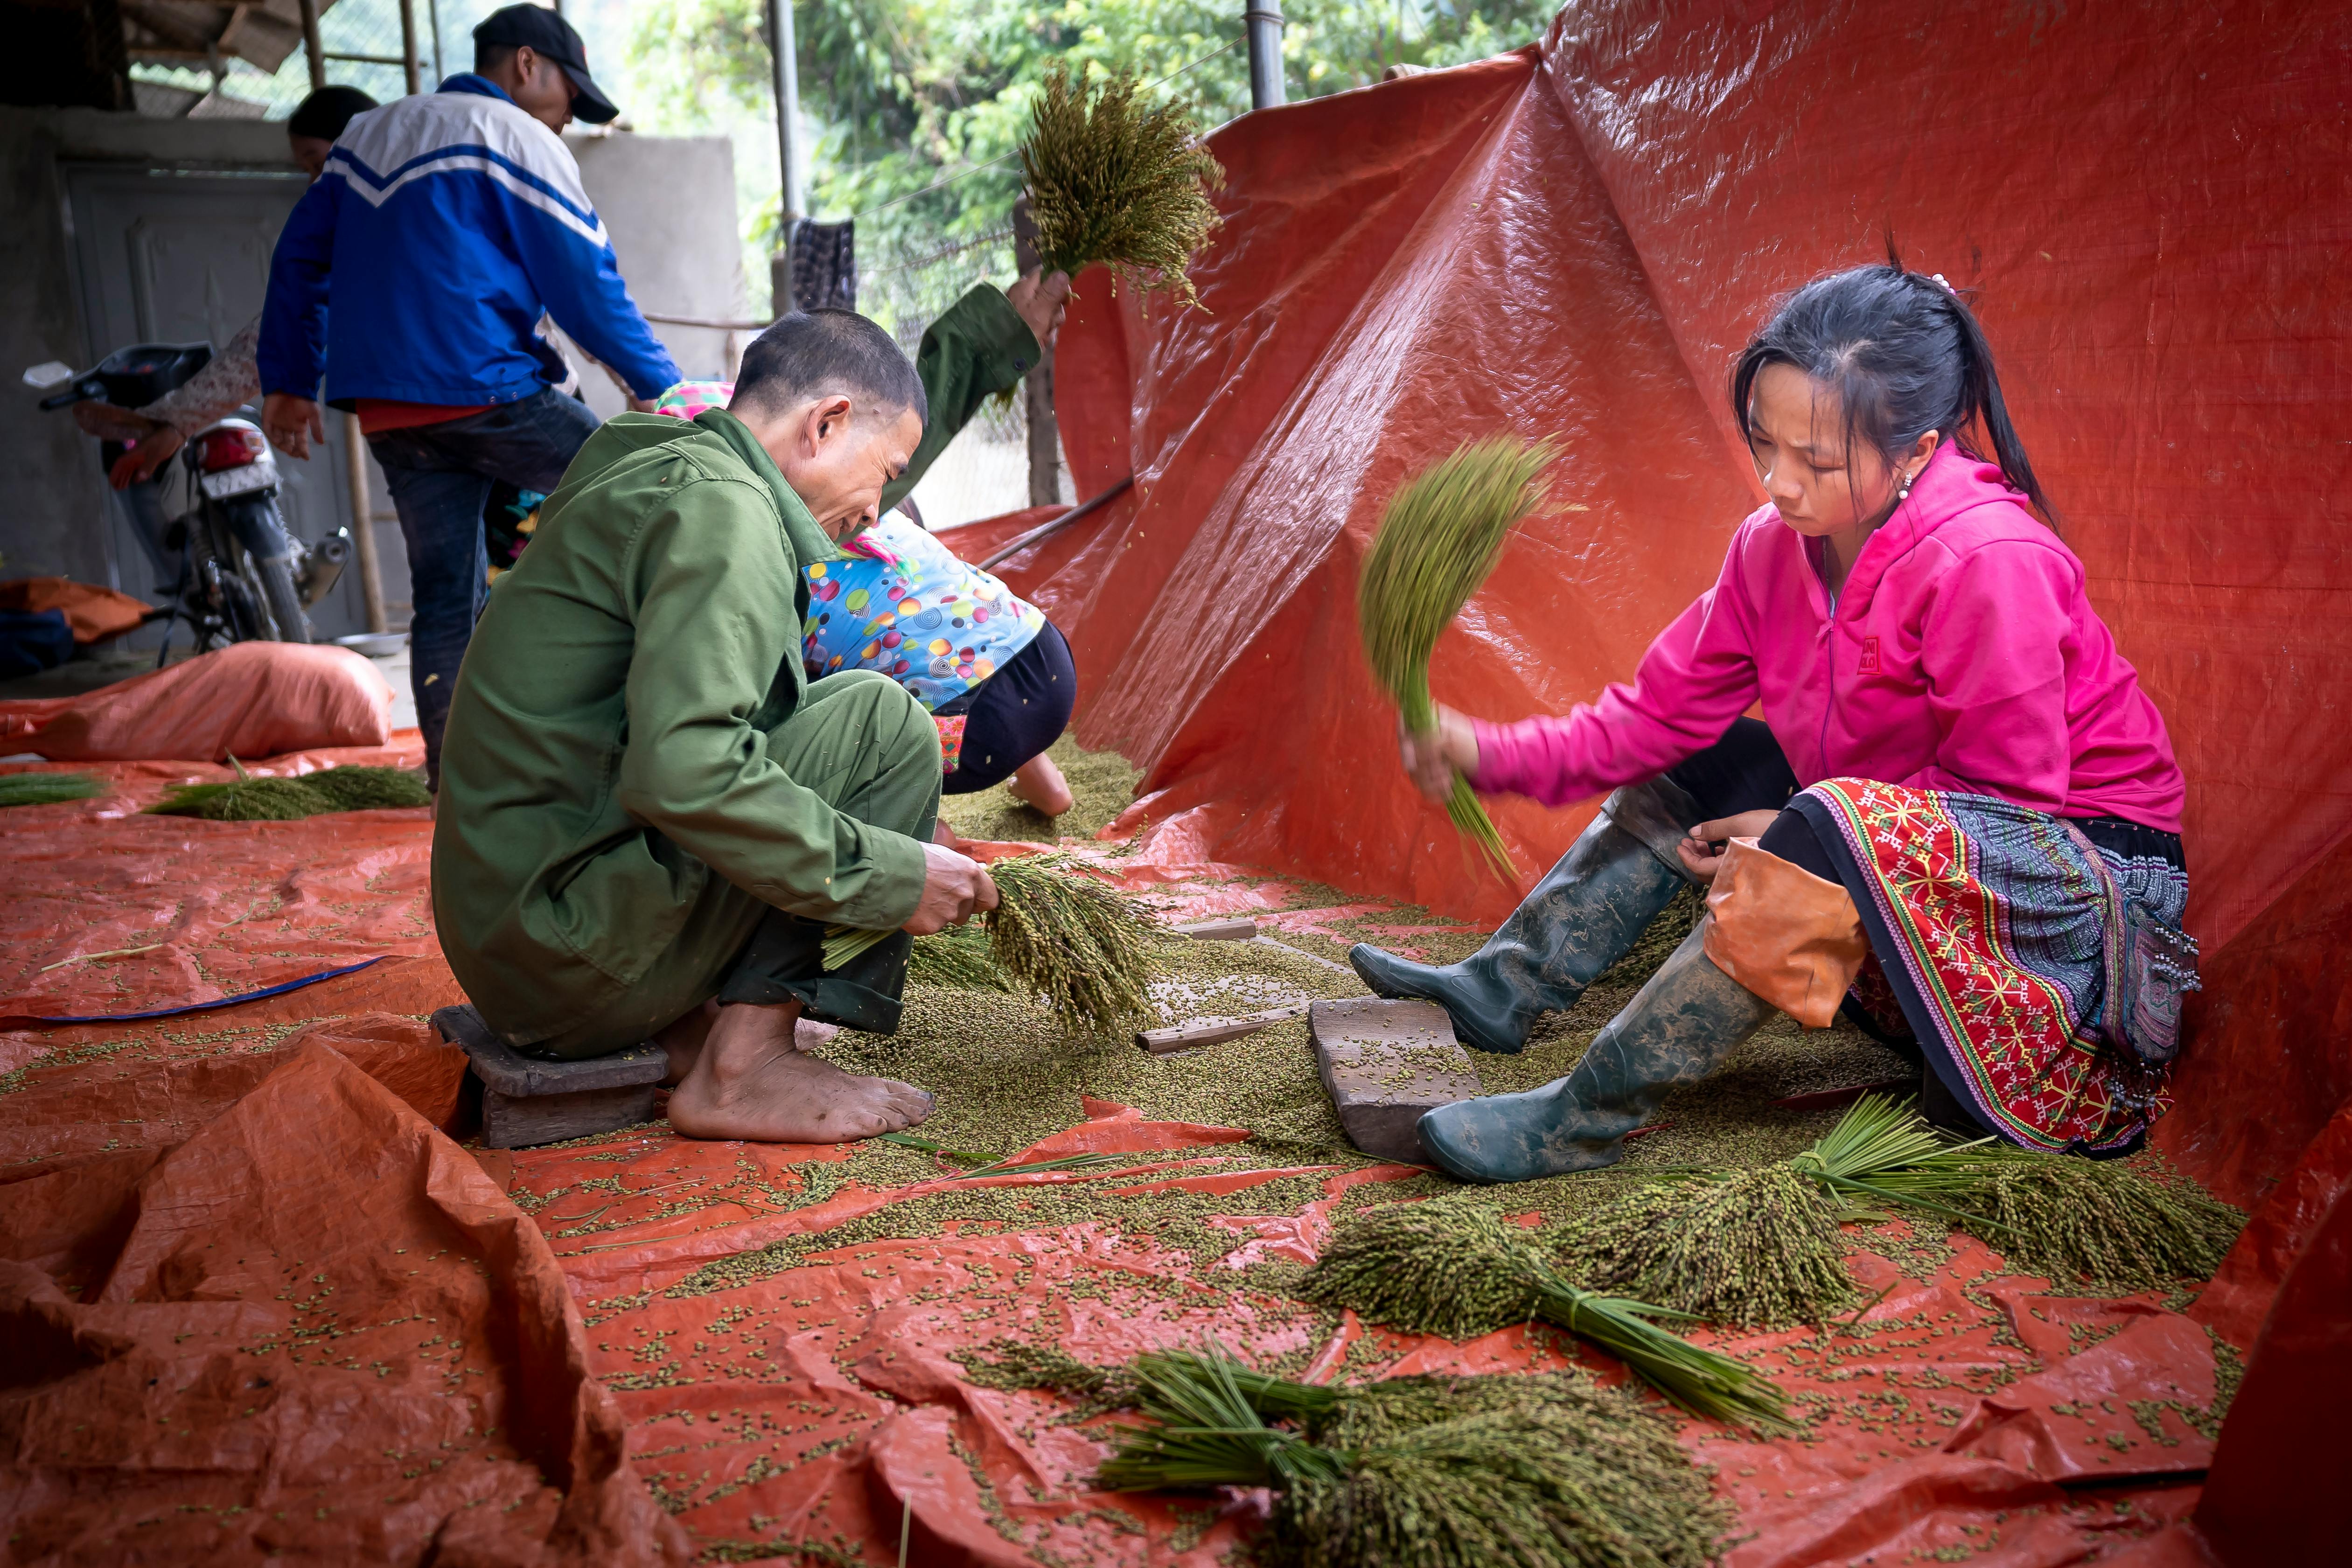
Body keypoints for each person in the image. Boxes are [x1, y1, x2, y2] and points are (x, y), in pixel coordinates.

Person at [1354, 261, 2195, 1184]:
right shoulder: (1770, 549)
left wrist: (1797, 833)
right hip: (1888, 826)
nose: (1779, 484)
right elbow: (1657, 717)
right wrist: (1485, 751)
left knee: (1822, 818)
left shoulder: (1985, 560)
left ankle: (1583, 1117)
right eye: (1764, 443)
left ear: (1915, 451)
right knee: (1721, 754)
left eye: (1818, 461)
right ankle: (1506, 985)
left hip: (2076, 879)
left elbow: (2010, 800)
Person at [432, 310, 1011, 1146]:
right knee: (883, 726)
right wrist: (890, 872)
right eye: (884, 474)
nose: (876, 510)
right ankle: (745, 1067)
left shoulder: (662, 463)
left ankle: (700, 1019)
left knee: (832, 714)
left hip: (517, 932)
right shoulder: (727, 512)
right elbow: (687, 771)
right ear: (826, 424)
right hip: (565, 956)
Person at [256, 3, 680, 787]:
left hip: (390, 412)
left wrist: (288, 383)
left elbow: (298, 262)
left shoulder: (369, 136)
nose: (566, 118)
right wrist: (666, 390)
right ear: (527, 65)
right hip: (489, 390)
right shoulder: (514, 135)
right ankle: (671, 735)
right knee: (654, 496)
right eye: (566, 95)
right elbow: (584, 286)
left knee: (444, 596)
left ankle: (452, 785)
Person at [647, 273, 1082, 828]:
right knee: (937, 643)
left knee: (843, 742)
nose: (874, 511)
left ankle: (926, 835)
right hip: (1039, 653)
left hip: (973, 723)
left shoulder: (763, 531)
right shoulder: (850, 510)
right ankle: (1046, 785)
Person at [90, 87, 380, 498]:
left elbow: (285, 327)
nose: (316, 183)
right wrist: (177, 423)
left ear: (362, 141)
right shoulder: (343, 227)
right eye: (309, 170)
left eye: (319, 163)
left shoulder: (392, 217)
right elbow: (282, 328)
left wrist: (175, 421)